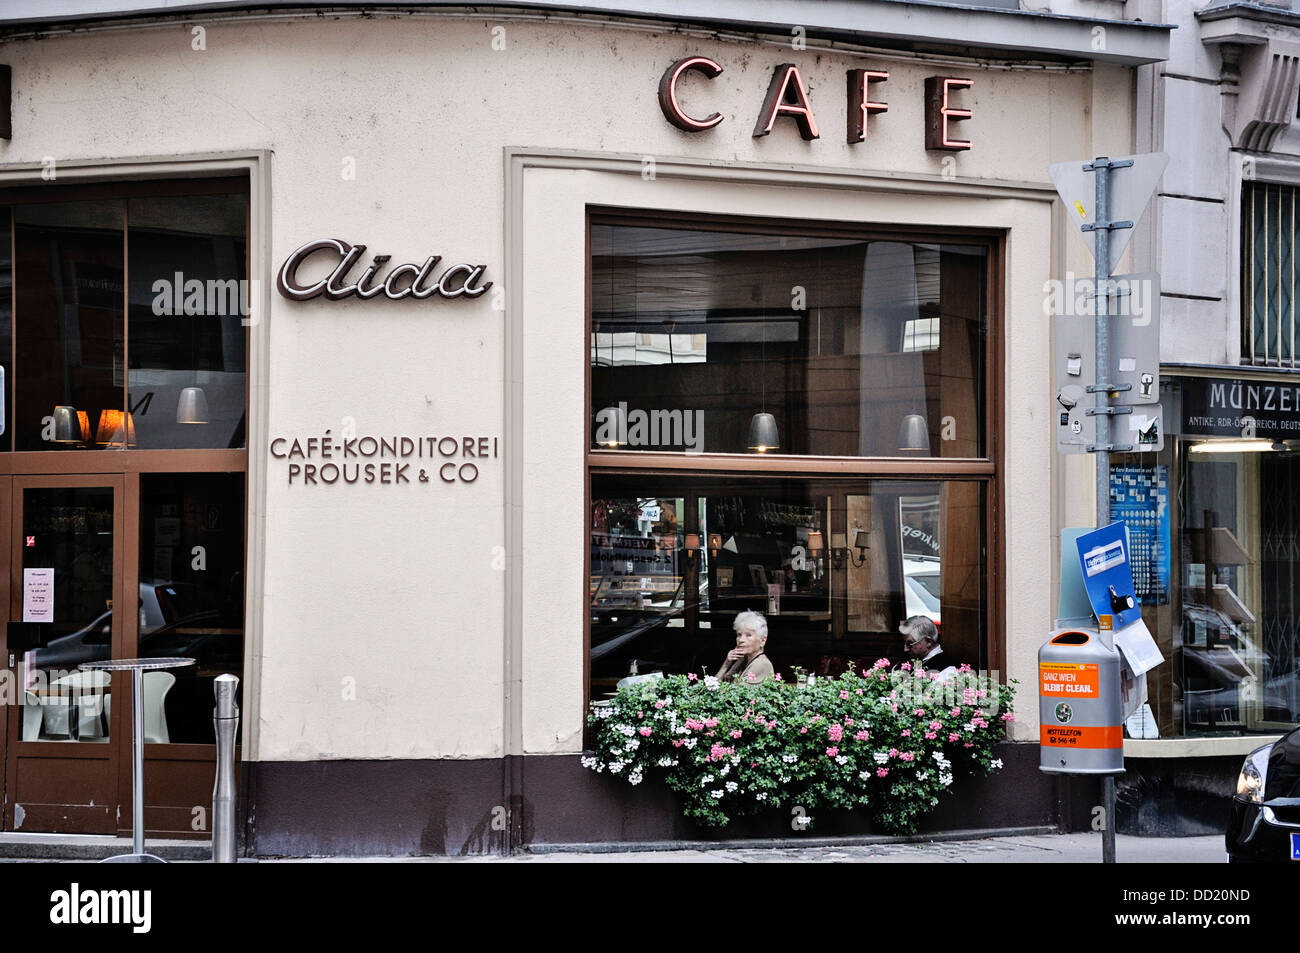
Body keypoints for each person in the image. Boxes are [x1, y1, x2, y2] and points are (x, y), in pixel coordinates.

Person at [716, 609, 775, 683]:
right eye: (739, 635)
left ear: (762, 640)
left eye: (748, 635)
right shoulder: (743, 659)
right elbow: (712, 688)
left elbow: (732, 693)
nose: (741, 640)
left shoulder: (762, 664)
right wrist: (726, 664)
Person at [899, 615, 957, 682]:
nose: (905, 649)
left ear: (928, 642)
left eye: (909, 644)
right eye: (904, 643)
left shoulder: (946, 671)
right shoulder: (906, 661)